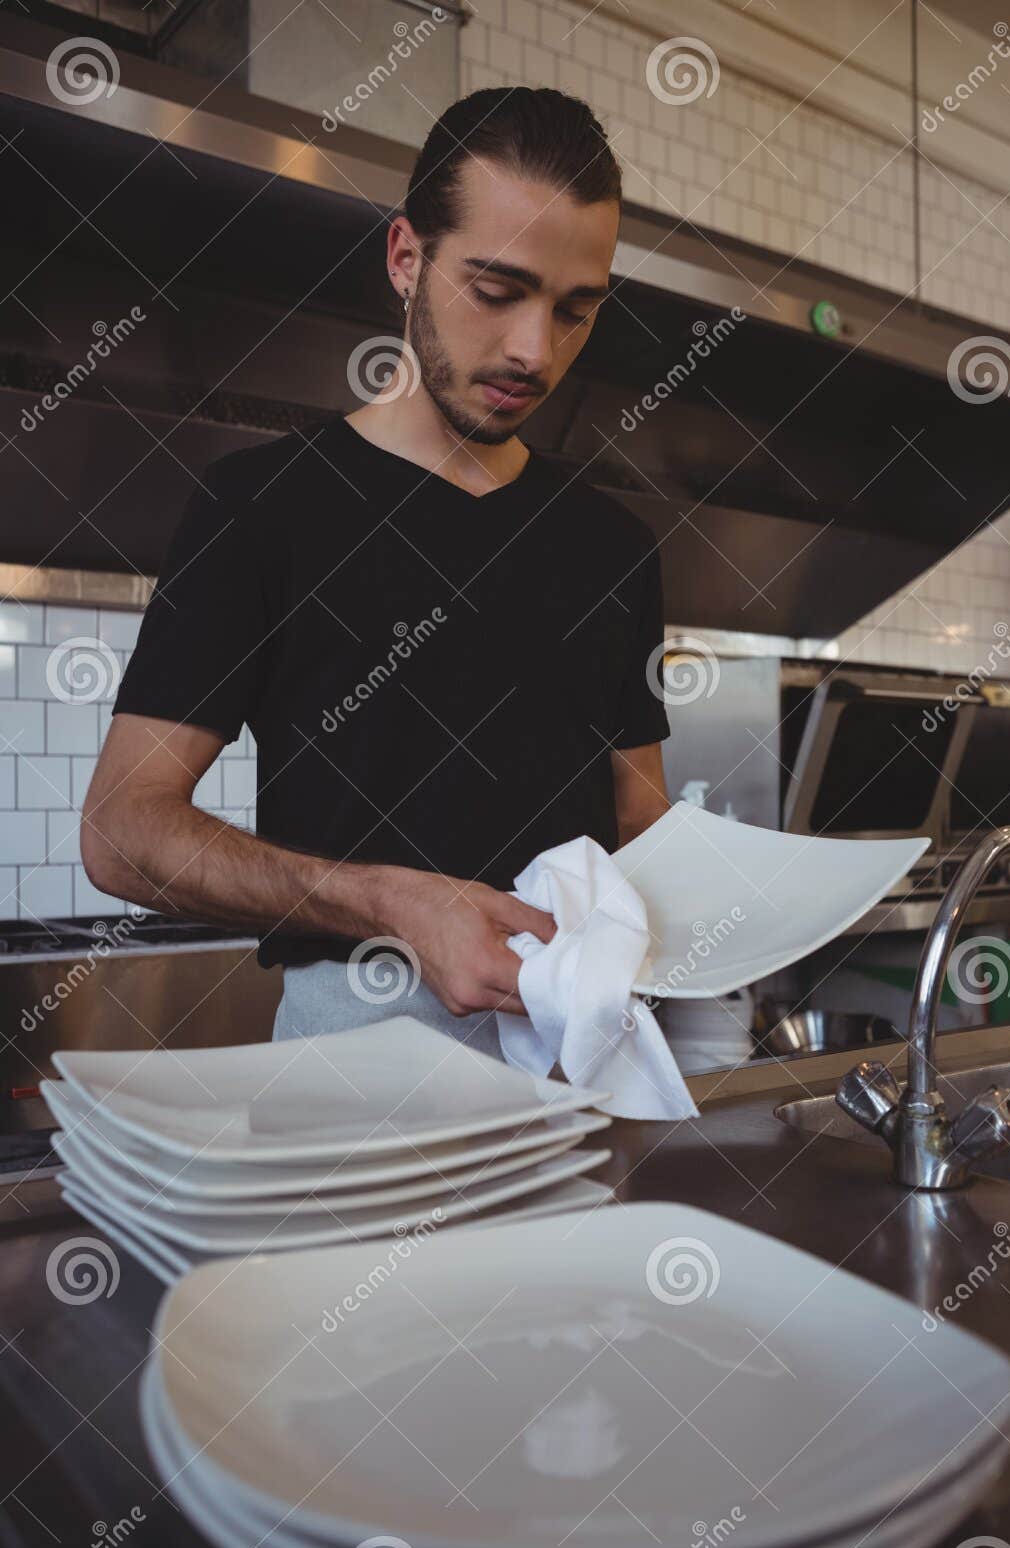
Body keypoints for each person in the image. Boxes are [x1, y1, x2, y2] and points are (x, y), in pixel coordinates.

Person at [83, 86, 672, 1058]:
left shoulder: (613, 548)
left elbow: (640, 827)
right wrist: (386, 899)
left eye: (574, 311)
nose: (533, 349)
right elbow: (121, 827)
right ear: (406, 259)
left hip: (578, 1072)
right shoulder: (260, 509)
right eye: (495, 291)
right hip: (349, 1066)